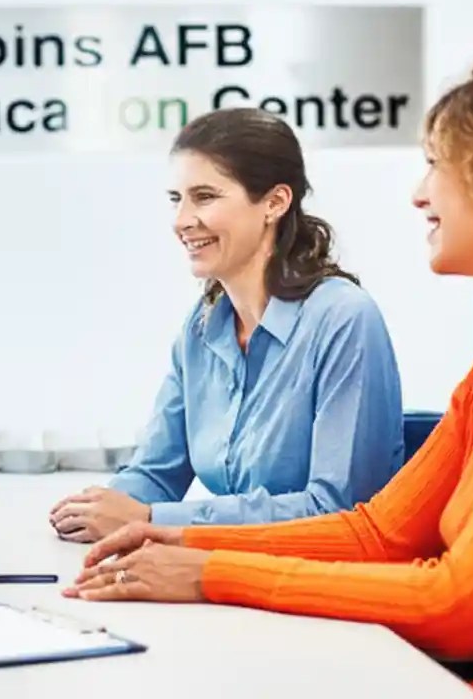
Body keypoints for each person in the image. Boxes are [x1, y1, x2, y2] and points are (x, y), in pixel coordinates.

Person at [67, 47, 473, 698]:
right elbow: (379, 532)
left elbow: (456, 606)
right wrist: (176, 537)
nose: (418, 194)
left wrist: (207, 572)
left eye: (437, 167)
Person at [49, 107, 405, 542]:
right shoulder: (202, 328)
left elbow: (336, 509)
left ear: (274, 203)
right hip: (231, 575)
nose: (181, 221)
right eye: (176, 199)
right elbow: (157, 473)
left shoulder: (344, 319)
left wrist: (149, 520)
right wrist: (100, 509)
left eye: (205, 197)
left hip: (319, 588)